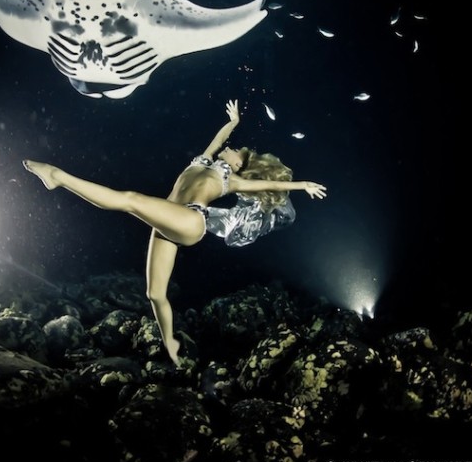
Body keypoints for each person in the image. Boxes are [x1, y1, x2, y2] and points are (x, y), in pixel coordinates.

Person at [23, 100, 326, 365]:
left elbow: (268, 184)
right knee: (155, 294)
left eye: (237, 152)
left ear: (239, 166)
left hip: (190, 221)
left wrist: (303, 185)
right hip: (168, 221)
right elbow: (218, 140)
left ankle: (57, 176)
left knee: (130, 199)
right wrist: (232, 123)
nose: (231, 148)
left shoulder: (232, 180)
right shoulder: (203, 161)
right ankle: (169, 342)